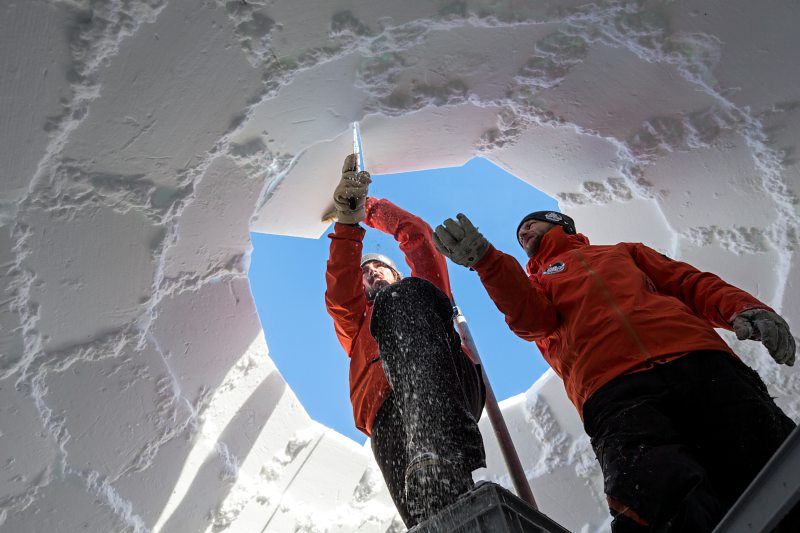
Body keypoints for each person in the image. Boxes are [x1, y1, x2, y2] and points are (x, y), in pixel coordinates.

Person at [432, 210, 797, 532]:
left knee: (767, 455)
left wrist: (744, 308)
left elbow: (687, 283)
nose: (524, 231)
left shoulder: (623, 253)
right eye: (520, 232)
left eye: (531, 223)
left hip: (699, 360)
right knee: (653, 491)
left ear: (559, 223)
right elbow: (531, 320)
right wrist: (487, 261)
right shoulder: (536, 285)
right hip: (615, 390)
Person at [323, 155, 486, 526]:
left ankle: (439, 447)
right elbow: (338, 296)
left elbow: (420, 241)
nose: (372, 273)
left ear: (395, 272)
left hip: (445, 386)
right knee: (429, 516)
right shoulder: (357, 325)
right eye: (364, 272)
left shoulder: (419, 292)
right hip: (385, 415)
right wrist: (344, 226)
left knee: (405, 298)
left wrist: (369, 211)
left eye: (380, 266)